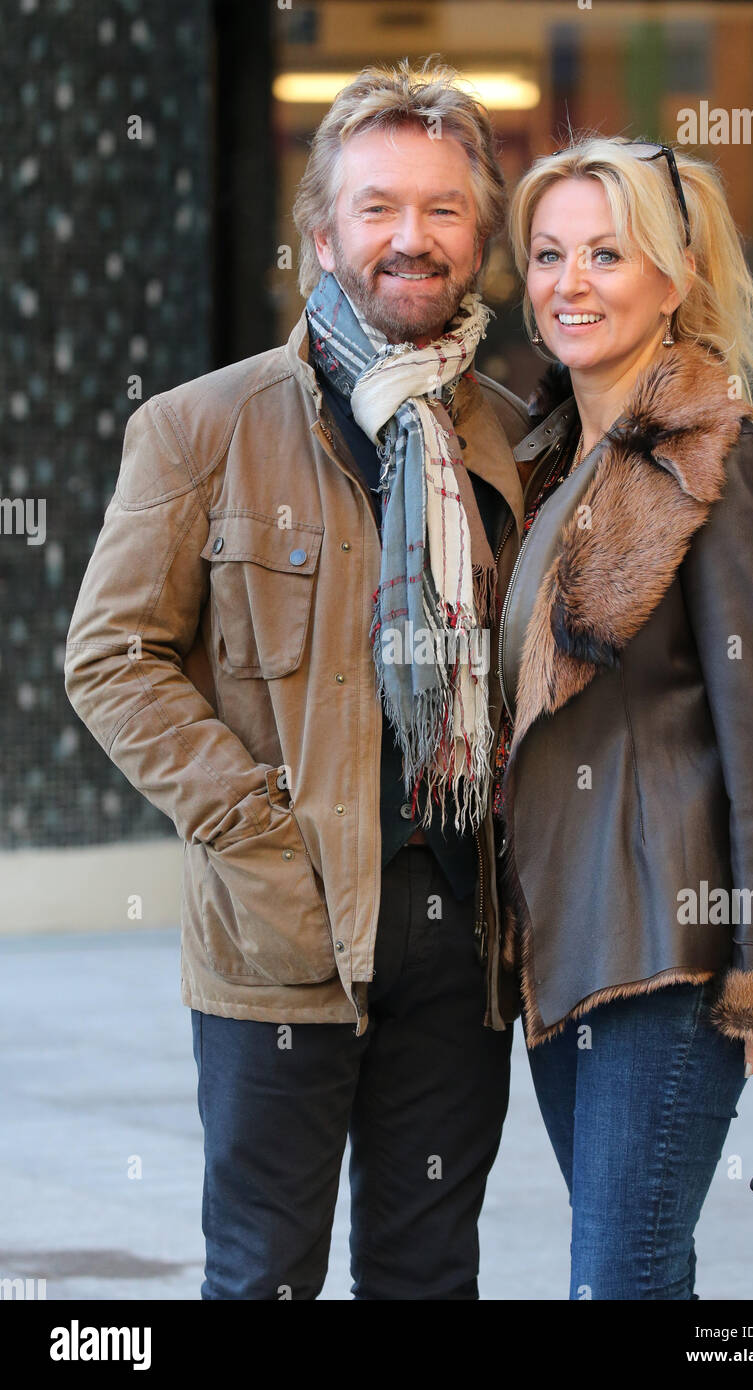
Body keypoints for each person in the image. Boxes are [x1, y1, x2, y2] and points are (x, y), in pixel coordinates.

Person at [64, 59, 531, 1300]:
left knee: (426, 1274)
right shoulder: (201, 426)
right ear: (321, 230)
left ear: (478, 234)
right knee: (265, 1273)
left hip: (459, 938)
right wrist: (254, 832)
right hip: (283, 932)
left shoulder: (515, 434)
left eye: (442, 209)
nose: (410, 238)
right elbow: (111, 655)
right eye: (377, 207)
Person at [491, 135, 753, 1300]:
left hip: (670, 950)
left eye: (608, 253)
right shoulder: (554, 465)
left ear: (676, 275)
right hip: (568, 948)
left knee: (624, 1276)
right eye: (548, 253)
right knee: (638, 1272)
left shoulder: (719, 465)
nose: (570, 282)